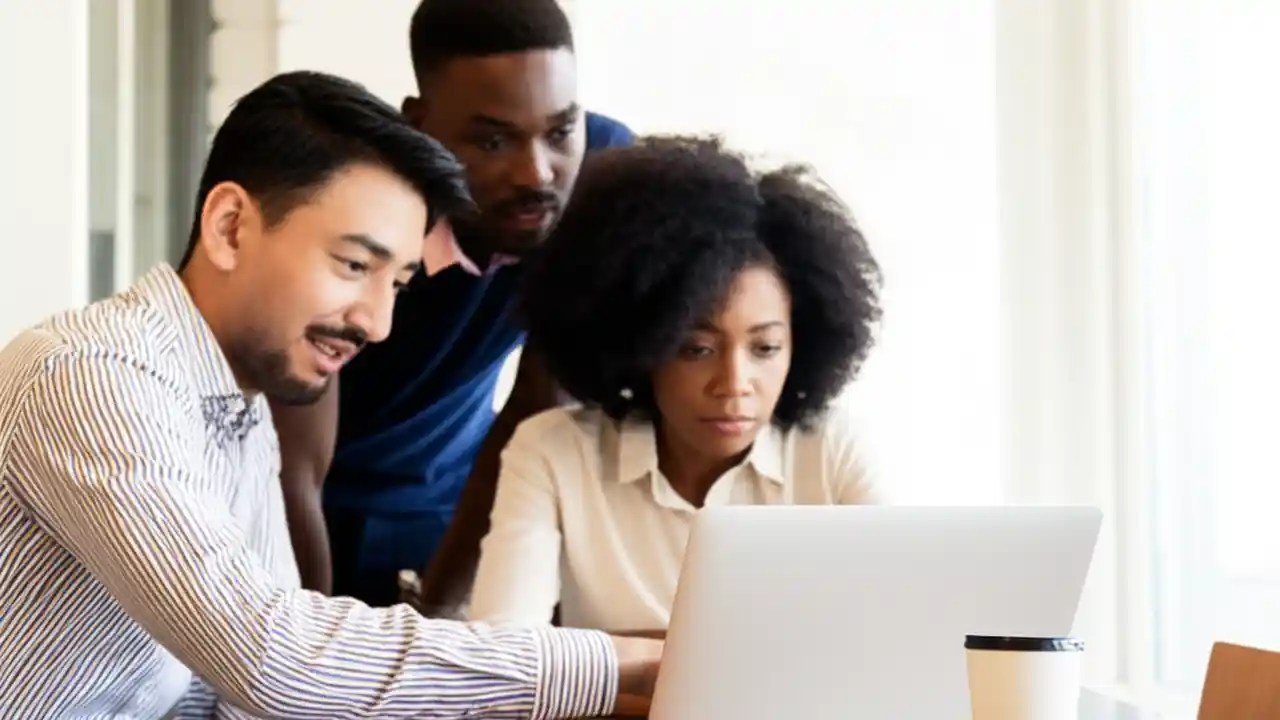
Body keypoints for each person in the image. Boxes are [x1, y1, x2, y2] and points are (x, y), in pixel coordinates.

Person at [0, 71, 658, 719]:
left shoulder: (238, 406)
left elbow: (237, 696)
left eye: (397, 283)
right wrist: (616, 665)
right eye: (354, 265)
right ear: (230, 227)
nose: (378, 323)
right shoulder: (92, 378)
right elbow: (273, 657)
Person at [271, 0, 635, 610]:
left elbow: (540, 404)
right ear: (420, 125)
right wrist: (319, 641)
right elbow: (296, 468)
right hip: (298, 510)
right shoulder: (352, 197)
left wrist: (441, 607)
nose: (536, 174)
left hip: (452, 504)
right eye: (493, 140)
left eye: (559, 133)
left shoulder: (601, 173)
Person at [466, 136, 884, 633]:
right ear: (643, 343)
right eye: (697, 349)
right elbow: (505, 651)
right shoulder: (554, 452)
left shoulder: (831, 450)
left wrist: (619, 654)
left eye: (765, 348)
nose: (734, 384)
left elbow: (903, 627)